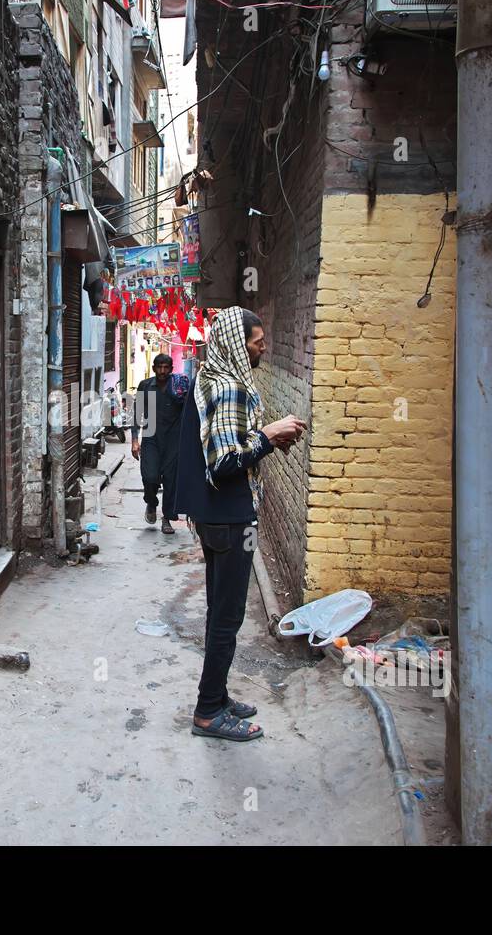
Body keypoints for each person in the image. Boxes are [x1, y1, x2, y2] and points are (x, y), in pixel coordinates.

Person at [174, 307, 306, 741]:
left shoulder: (211, 379)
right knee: (227, 617)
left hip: (217, 516)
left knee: (219, 613)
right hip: (228, 518)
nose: (263, 348)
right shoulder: (228, 387)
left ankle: (217, 694)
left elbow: (225, 447)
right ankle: (209, 711)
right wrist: (268, 436)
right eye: (257, 341)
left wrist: (268, 441)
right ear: (236, 342)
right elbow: (226, 462)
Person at [130, 353, 188, 534]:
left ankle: (167, 519)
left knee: (171, 481)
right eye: (159, 367)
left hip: (173, 441)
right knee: (150, 476)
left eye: (166, 367)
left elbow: (189, 413)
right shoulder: (145, 386)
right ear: (154, 368)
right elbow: (137, 412)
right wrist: (134, 439)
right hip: (151, 437)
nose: (162, 371)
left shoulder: (179, 388)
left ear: (171, 370)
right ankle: (151, 502)